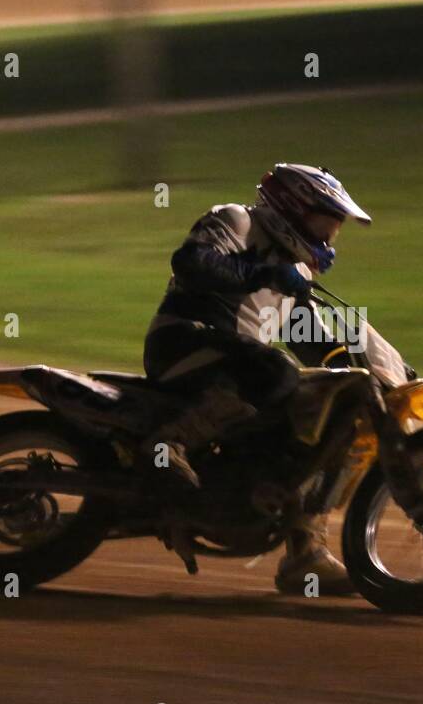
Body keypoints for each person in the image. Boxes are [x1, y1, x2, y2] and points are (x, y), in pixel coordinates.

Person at [142, 163, 374, 595]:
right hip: (185, 344)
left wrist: (364, 369)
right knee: (278, 370)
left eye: (336, 225)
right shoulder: (237, 221)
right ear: (293, 206)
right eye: (326, 220)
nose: (331, 234)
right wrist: (263, 274)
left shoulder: (298, 272)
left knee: (323, 417)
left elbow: (309, 338)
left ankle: (304, 552)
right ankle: (168, 441)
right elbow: (192, 264)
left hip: (240, 366)